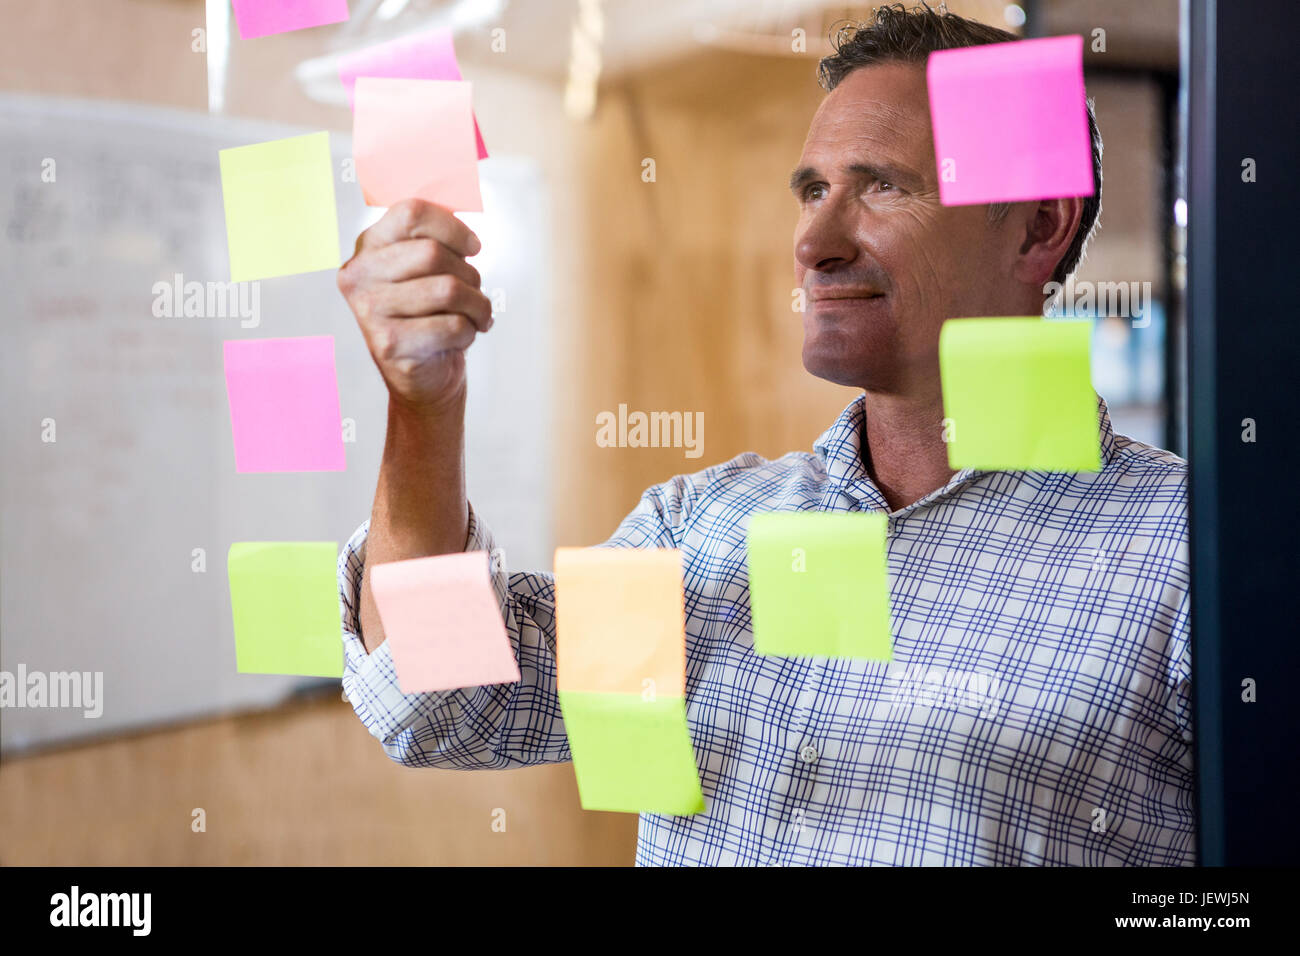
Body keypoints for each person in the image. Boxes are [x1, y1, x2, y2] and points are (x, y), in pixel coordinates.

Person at [334, 3, 1192, 866]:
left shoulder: (1189, 551)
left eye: (883, 184)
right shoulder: (700, 530)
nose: (814, 241)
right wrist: (425, 407)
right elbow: (435, 699)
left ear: (1040, 227)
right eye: (814, 190)